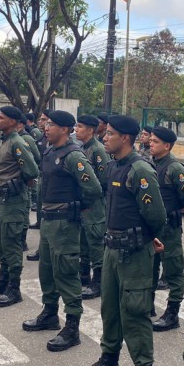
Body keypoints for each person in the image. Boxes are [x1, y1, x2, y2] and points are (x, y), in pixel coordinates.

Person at [75, 115, 166, 366]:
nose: (105, 137)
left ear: (125, 138)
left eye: (111, 134)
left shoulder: (140, 170)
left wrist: (145, 239)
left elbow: (157, 216)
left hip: (134, 254)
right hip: (112, 249)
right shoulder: (115, 165)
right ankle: (109, 362)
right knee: (110, 310)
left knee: (135, 313)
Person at [22, 110, 102, 352]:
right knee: (47, 271)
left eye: (52, 124)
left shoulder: (73, 155)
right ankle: (49, 313)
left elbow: (94, 189)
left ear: (65, 129)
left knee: (66, 272)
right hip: (49, 221)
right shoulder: (50, 151)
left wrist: (77, 208)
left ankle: (72, 327)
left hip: (65, 224)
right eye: (46, 124)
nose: (46, 127)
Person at [0, 106, 40, 307]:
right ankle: (3, 279)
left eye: (1, 117)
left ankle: (14, 288)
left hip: (13, 200)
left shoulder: (17, 143)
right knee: (0, 242)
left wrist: (15, 181)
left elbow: (32, 170)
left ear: (13, 121)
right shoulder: (2, 140)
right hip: (0, 199)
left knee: (11, 243)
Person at [149, 126, 184, 332]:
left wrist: (176, 210)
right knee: (150, 267)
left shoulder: (174, 168)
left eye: (155, 141)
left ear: (167, 146)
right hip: (153, 227)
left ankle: (172, 313)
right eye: (151, 140)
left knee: (173, 270)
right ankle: (147, 305)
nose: (151, 144)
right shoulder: (151, 164)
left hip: (169, 228)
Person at [75, 114, 111, 299]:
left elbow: (103, 180)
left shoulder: (98, 150)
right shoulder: (83, 148)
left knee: (96, 242)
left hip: (95, 204)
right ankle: (84, 276)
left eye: (80, 127)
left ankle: (98, 281)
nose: (76, 129)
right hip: (83, 203)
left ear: (90, 130)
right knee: (83, 240)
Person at [18, 114, 42, 251]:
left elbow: (37, 157)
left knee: (23, 209)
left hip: (24, 179)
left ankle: (22, 240)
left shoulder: (26, 138)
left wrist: (29, 173)